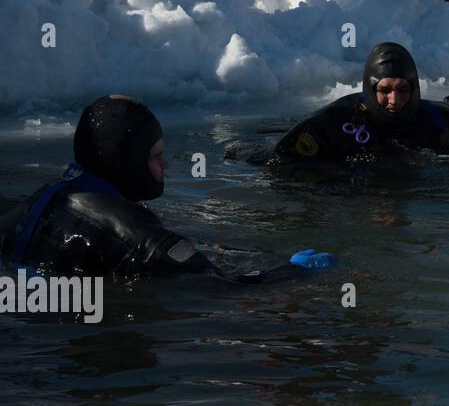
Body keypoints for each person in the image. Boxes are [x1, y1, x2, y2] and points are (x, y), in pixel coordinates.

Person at [0, 96, 332, 282]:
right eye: (156, 155)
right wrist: (293, 272)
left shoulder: (43, 199)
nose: (166, 166)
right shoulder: (136, 234)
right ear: (126, 163)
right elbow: (222, 288)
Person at [269, 42, 449, 163]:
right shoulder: (332, 122)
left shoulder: (443, 121)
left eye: (403, 89)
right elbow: (279, 164)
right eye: (384, 90)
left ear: (414, 87)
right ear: (370, 89)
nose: (395, 100)